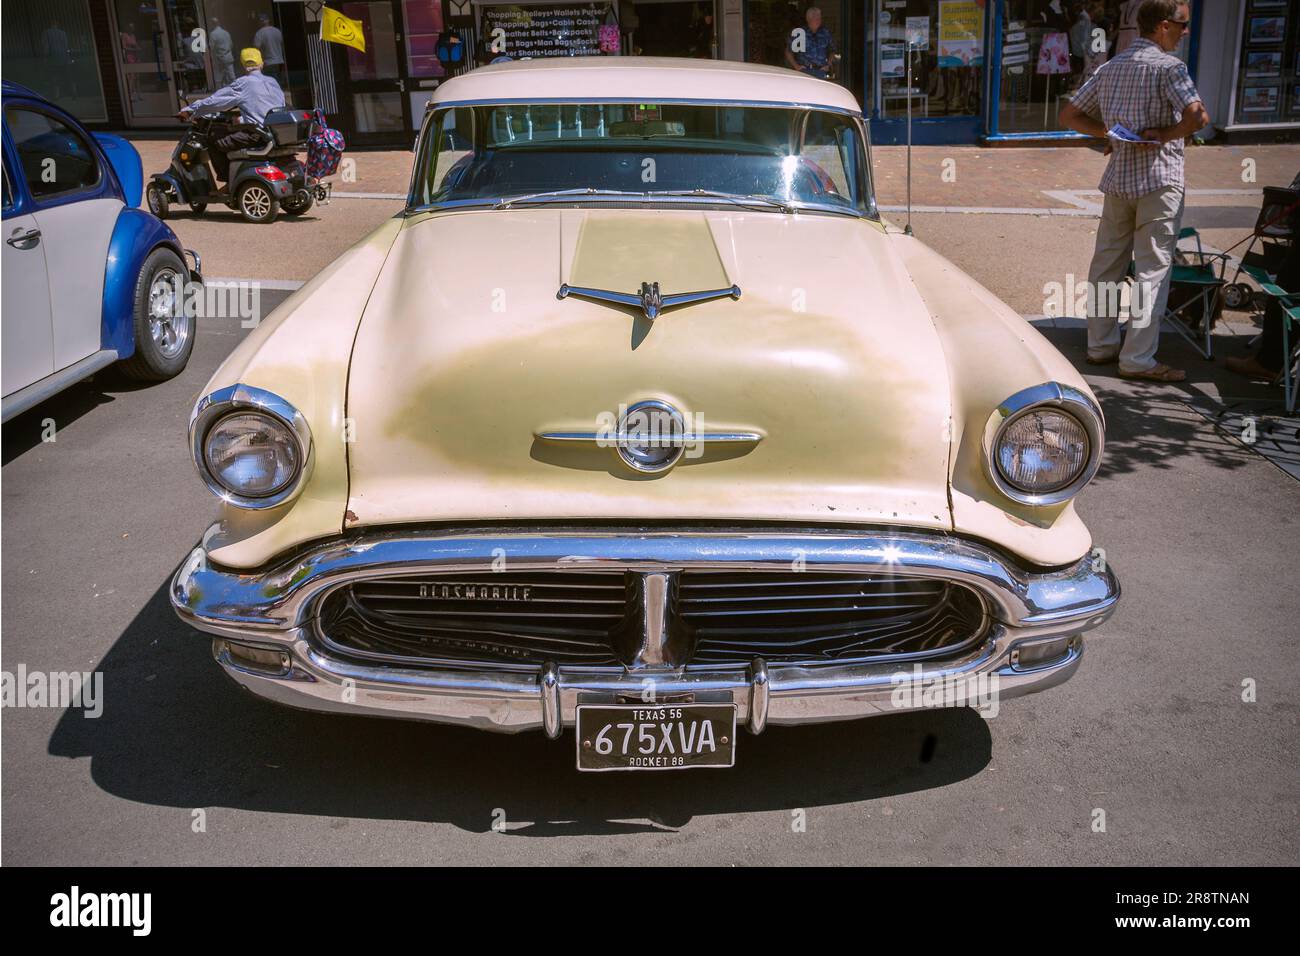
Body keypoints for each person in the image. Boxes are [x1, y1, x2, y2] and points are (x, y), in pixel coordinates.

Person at [1059, 0, 1210, 383]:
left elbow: (1070, 115)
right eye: (1182, 24)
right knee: (1152, 270)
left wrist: (1107, 133)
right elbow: (1197, 116)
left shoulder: (1112, 67)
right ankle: (1138, 359)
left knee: (1107, 265)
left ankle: (1101, 345)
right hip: (1159, 179)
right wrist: (1168, 134)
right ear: (1162, 26)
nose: (1185, 31)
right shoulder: (1170, 67)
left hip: (1120, 178)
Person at [179, 48, 285, 185]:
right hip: (275, 133)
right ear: (262, 63)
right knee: (231, 131)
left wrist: (190, 110)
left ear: (243, 65)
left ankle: (228, 182)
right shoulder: (273, 82)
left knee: (212, 137)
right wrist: (241, 119)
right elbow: (267, 108)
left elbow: (216, 101)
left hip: (257, 135)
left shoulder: (243, 83)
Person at [784, 6, 835, 80]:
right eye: (816, 19)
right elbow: (788, 51)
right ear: (808, 19)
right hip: (804, 71)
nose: (819, 21)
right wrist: (796, 66)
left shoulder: (825, 32)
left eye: (819, 18)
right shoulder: (800, 32)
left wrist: (828, 64)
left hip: (821, 71)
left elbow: (832, 50)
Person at [253, 13, 287, 89]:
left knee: (270, 83)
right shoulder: (277, 31)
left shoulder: (259, 33)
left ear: (261, 22)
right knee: (278, 81)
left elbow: (256, 48)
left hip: (268, 62)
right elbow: (281, 44)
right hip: (279, 60)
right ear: (268, 21)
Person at [210, 17, 235, 86]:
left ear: (212, 24)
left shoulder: (213, 34)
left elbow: (211, 48)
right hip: (228, 56)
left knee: (220, 77)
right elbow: (231, 44)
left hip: (219, 58)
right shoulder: (226, 32)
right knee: (231, 75)